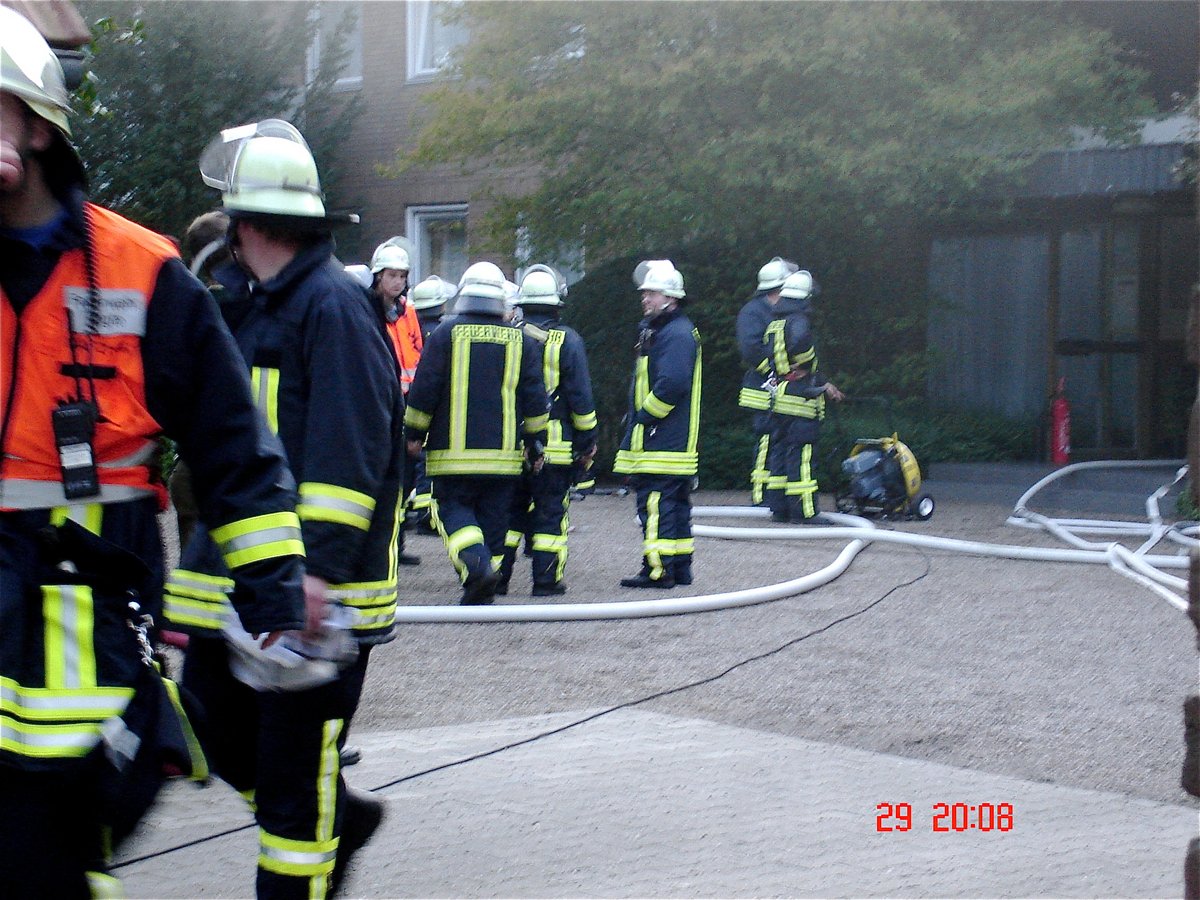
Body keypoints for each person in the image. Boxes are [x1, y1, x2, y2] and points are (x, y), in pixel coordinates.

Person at [0, 10, 306, 894]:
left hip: (81, 614)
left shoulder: (141, 273)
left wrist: (274, 584)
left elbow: (229, 438)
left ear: (35, 124)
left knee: (58, 845)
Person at [164, 119, 404, 897]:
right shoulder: (256, 304)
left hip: (316, 592)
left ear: (249, 224)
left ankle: (312, 853)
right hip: (248, 581)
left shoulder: (333, 307)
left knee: (295, 782)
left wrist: (316, 572)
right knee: (209, 725)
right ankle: (341, 820)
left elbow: (349, 454)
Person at [403, 261, 549, 605]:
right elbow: (535, 400)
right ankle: (485, 584)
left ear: (464, 295)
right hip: (503, 459)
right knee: (494, 521)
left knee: (455, 512)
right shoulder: (522, 340)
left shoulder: (445, 334)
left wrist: (414, 432)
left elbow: (425, 389)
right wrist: (535, 444)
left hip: (452, 458)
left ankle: (478, 569)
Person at [497, 265, 598, 596]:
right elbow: (580, 397)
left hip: (513, 445)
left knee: (510, 515)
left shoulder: (508, 335)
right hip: (555, 447)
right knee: (550, 515)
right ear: (557, 305)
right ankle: (546, 581)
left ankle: (497, 579)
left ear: (523, 304)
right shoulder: (569, 340)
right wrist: (587, 442)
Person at [613, 260, 702, 589]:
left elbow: (672, 384)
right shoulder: (668, 331)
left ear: (671, 298)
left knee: (655, 503)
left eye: (652, 293)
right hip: (669, 438)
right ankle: (679, 567)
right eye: (644, 293)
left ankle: (658, 570)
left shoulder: (675, 334)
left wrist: (644, 416)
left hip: (662, 438)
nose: (645, 299)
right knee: (674, 505)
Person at [761, 269, 844, 522]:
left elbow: (770, 355)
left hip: (781, 396)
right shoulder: (798, 320)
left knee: (780, 454)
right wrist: (806, 366)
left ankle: (779, 509)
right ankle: (804, 512)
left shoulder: (775, 323)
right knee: (802, 456)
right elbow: (800, 343)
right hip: (800, 399)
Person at [367, 238, 422, 566]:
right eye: (392, 275)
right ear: (378, 276)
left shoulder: (408, 312)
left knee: (403, 479)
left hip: (405, 402)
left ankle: (396, 545)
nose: (398, 282)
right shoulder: (366, 308)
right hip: (379, 401)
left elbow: (416, 353)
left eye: (402, 276)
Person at [736, 256, 798, 506]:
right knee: (766, 440)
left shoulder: (781, 311)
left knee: (780, 441)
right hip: (763, 389)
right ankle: (761, 495)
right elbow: (750, 349)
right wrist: (776, 370)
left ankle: (776, 496)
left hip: (782, 389)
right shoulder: (753, 312)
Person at [407, 274, 453, 532]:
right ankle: (426, 514)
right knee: (427, 460)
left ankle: (415, 508)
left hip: (410, 399)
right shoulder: (443, 332)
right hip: (437, 402)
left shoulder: (410, 329)